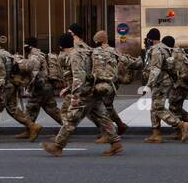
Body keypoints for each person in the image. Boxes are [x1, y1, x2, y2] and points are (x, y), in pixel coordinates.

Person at [46, 28, 121, 156]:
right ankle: (115, 143)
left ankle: (57, 146)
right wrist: (68, 89)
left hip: (85, 93)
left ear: (61, 46)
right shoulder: (85, 52)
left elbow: (79, 77)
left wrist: (75, 95)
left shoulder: (74, 55)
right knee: (102, 117)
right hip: (94, 90)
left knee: (71, 119)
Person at [0, 37, 41, 144]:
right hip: (12, 85)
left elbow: (0, 75)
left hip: (4, 86)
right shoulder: (6, 53)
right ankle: (32, 126)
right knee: (12, 109)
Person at [144, 28, 188, 143]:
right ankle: (156, 133)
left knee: (157, 107)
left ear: (150, 39)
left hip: (160, 81)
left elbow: (155, 69)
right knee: (154, 107)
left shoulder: (156, 50)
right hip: (165, 81)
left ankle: (181, 125)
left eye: (148, 39)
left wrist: (148, 85)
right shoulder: (165, 48)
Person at [90, 30, 131, 144]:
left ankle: (106, 133)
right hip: (113, 85)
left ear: (97, 41)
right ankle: (120, 125)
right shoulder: (115, 51)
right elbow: (125, 63)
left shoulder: (94, 52)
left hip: (100, 84)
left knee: (99, 110)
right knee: (108, 107)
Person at [20, 36, 63, 137]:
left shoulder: (35, 56)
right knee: (51, 109)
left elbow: (33, 71)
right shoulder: (38, 54)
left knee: (31, 107)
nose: (23, 46)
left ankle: (30, 130)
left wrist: (28, 86)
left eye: (25, 44)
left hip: (40, 86)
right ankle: (67, 126)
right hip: (46, 86)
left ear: (29, 45)